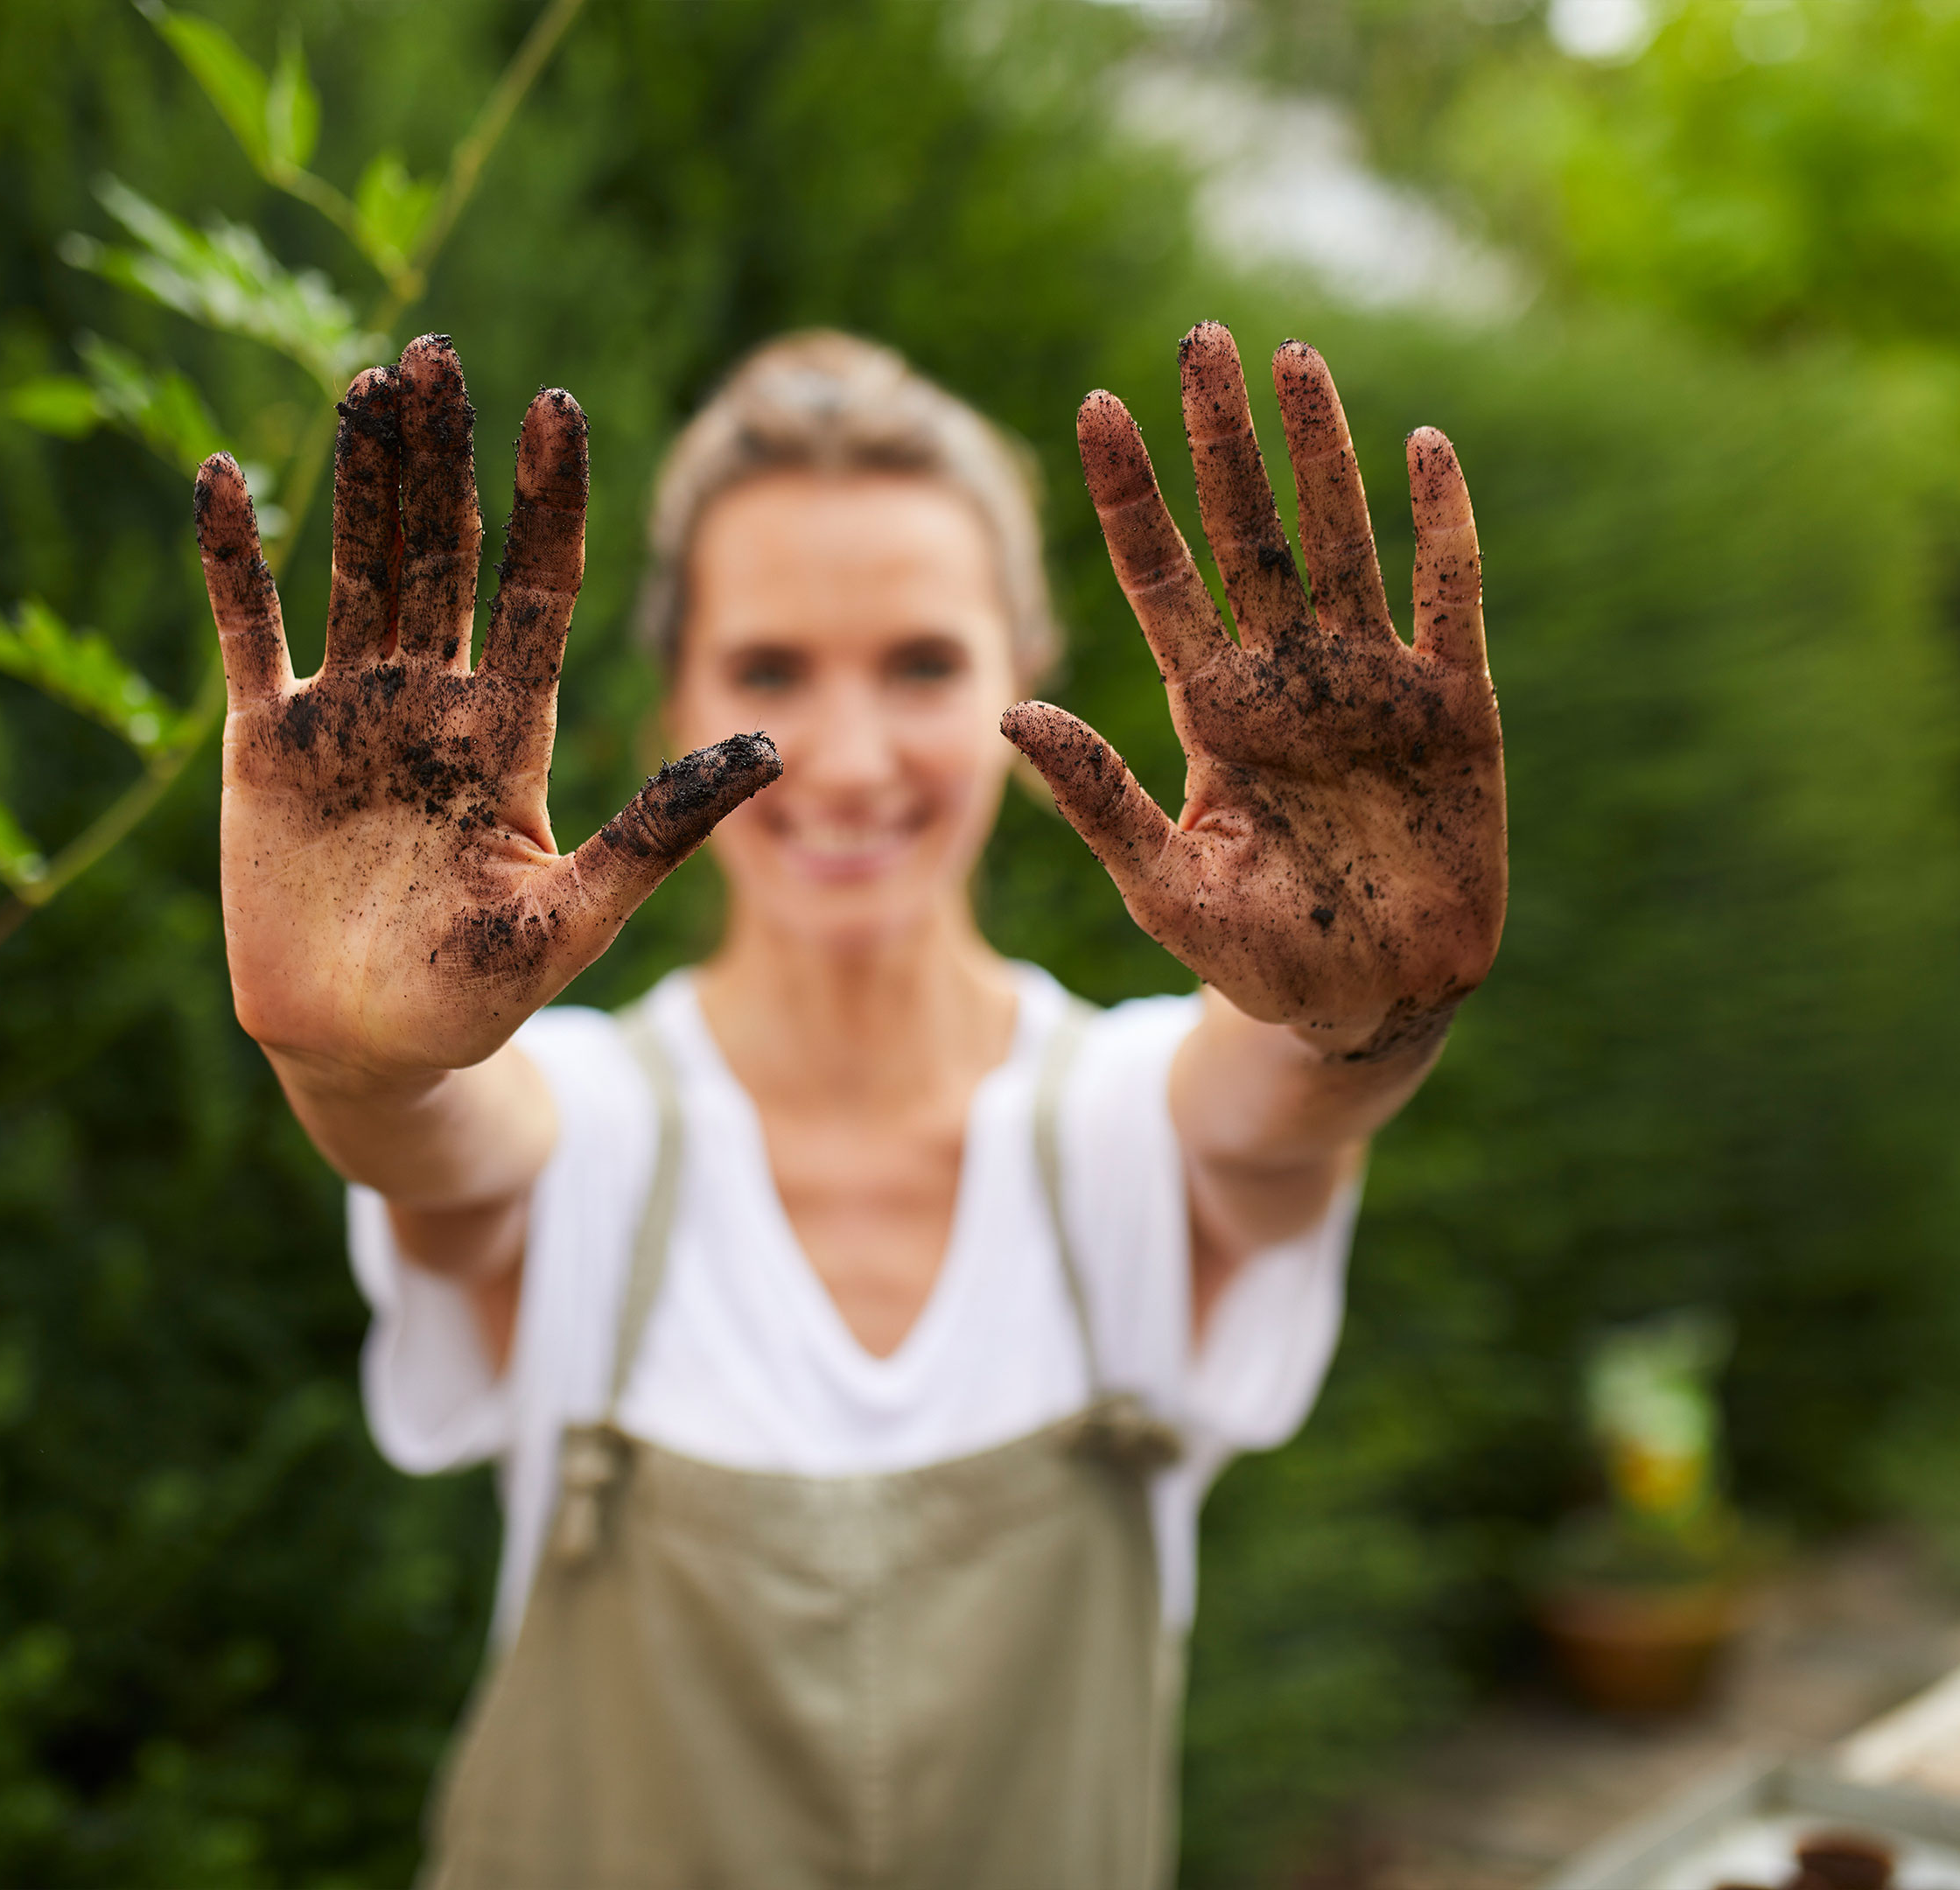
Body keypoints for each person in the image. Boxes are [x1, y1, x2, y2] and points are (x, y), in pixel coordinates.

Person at [192, 321, 1507, 1889]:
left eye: (925, 664)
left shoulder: (1115, 1128)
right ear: (663, 695)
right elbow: (429, 1138)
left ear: (1029, 678)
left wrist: (1378, 1007)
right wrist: (343, 1053)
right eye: (768, 670)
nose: (853, 753)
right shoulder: (595, 1124)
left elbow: (1291, 1098)